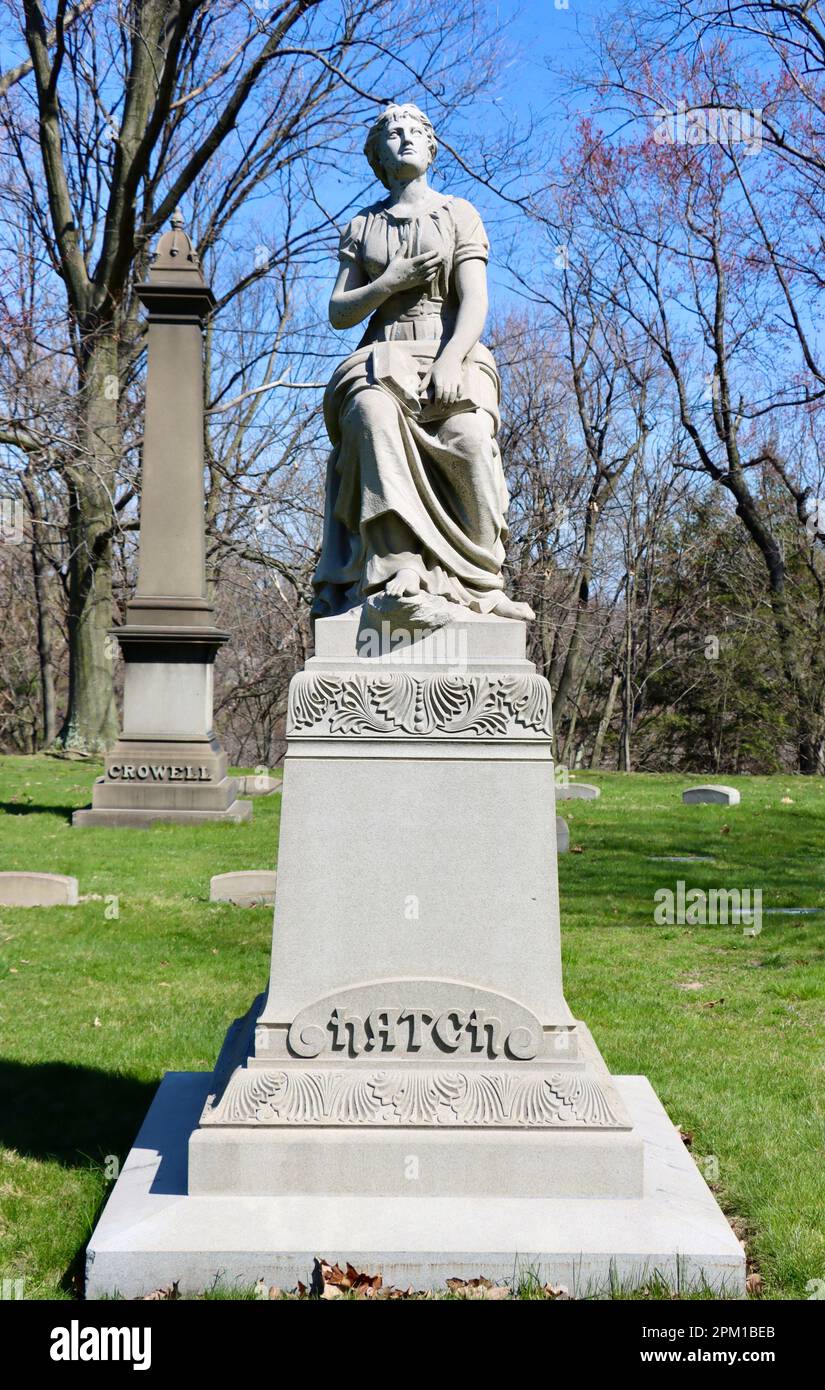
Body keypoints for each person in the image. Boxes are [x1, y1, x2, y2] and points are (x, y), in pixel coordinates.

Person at [311, 102, 534, 626]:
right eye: (392, 132)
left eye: (416, 130)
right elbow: (339, 312)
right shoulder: (363, 225)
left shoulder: (459, 214)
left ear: (432, 146)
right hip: (382, 355)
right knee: (370, 416)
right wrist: (390, 282)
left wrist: (451, 359)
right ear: (378, 155)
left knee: (471, 441)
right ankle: (397, 567)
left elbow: (475, 300)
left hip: (450, 349)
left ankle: (481, 581)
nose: (405, 137)